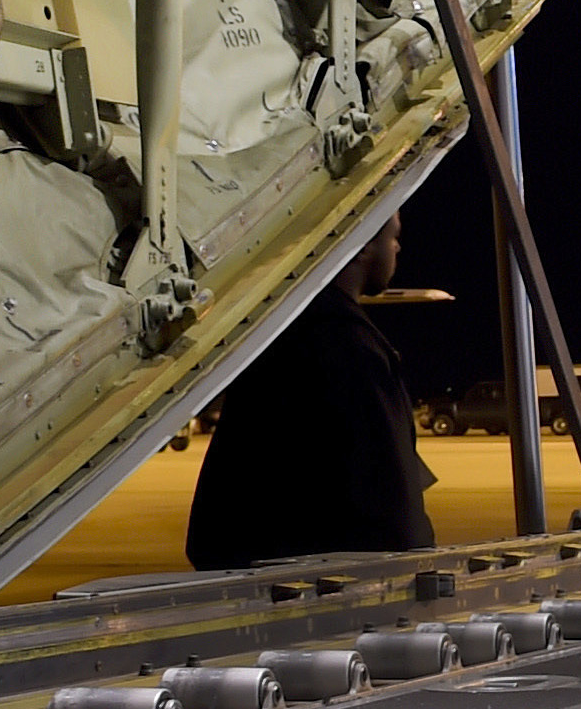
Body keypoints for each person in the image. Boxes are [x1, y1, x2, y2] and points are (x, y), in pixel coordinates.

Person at [186, 212, 437, 568]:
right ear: (364, 245)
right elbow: (395, 509)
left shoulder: (281, 332)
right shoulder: (347, 346)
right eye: (391, 237)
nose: (397, 247)